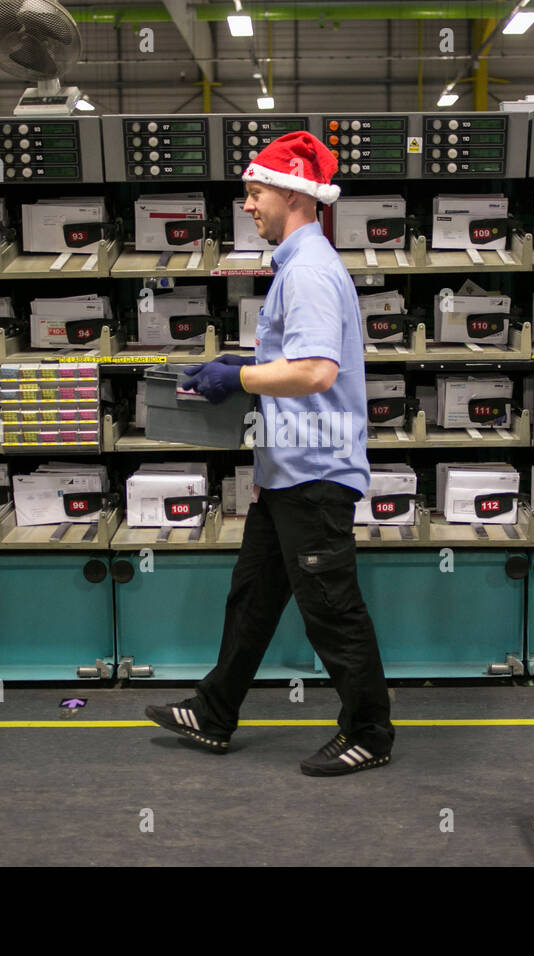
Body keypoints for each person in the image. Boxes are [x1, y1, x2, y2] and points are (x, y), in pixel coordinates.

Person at [145, 131, 395, 775]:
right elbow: (295, 363)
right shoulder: (298, 264)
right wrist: (245, 363)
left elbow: (315, 371)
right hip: (288, 470)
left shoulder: (309, 271)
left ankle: (370, 732)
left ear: (292, 192)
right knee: (253, 597)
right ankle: (215, 709)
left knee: (332, 611)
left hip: (314, 472)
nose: (248, 204)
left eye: (255, 191)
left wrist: (241, 379)